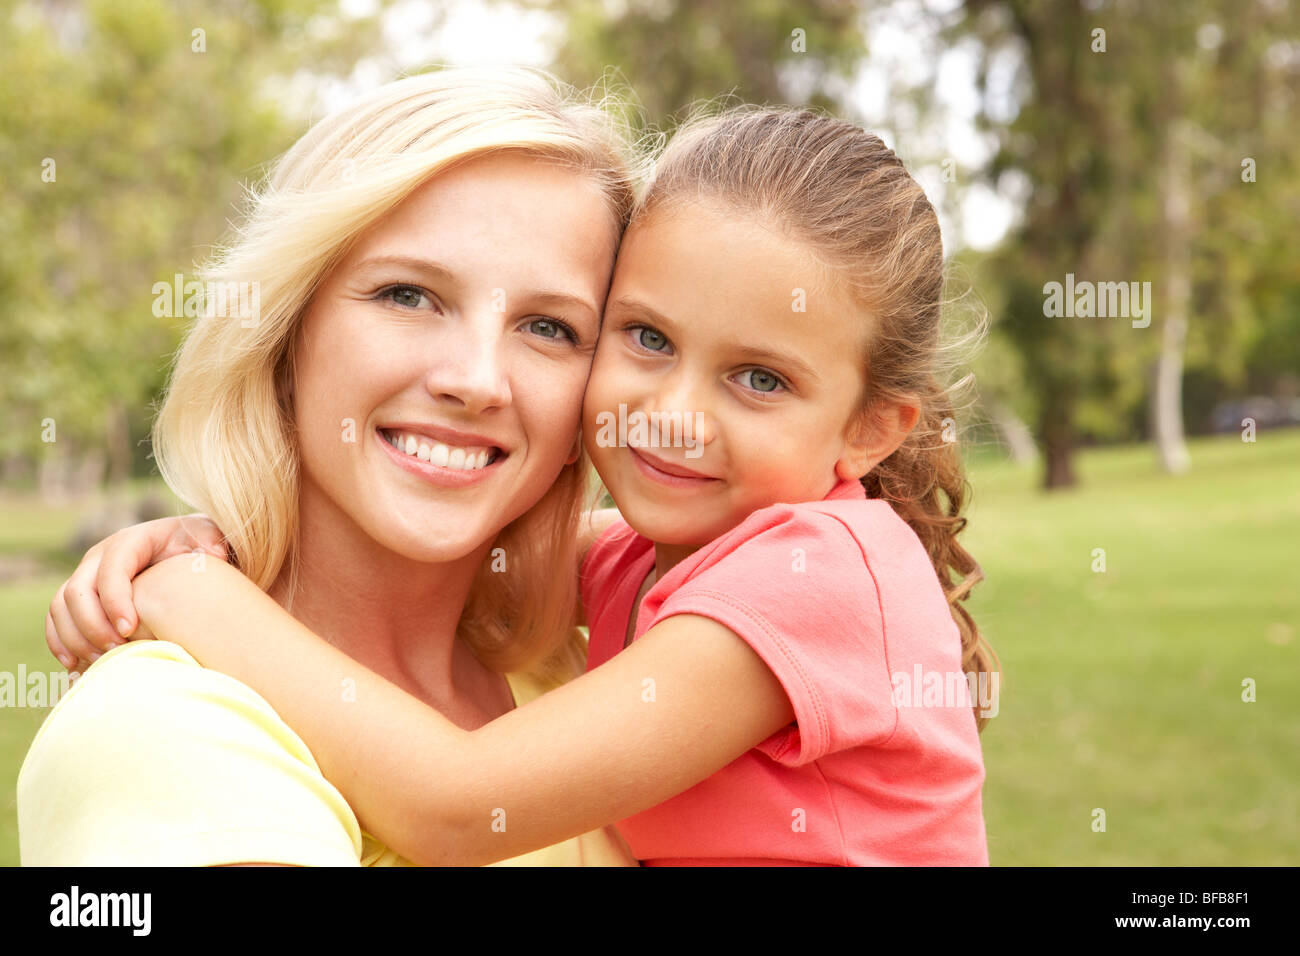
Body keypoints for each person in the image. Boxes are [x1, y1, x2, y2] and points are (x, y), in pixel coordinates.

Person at [46, 106, 998, 866]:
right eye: (649, 338)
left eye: (760, 379)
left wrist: (190, 593)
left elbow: (460, 808)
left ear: (872, 430)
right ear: (284, 331)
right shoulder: (170, 735)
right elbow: (533, 546)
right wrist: (205, 536)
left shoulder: (808, 577)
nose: (673, 413)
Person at [19, 66, 643, 867]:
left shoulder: (585, 675)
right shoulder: (160, 726)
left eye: (549, 328)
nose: (477, 380)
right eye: (408, 295)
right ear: (283, 340)